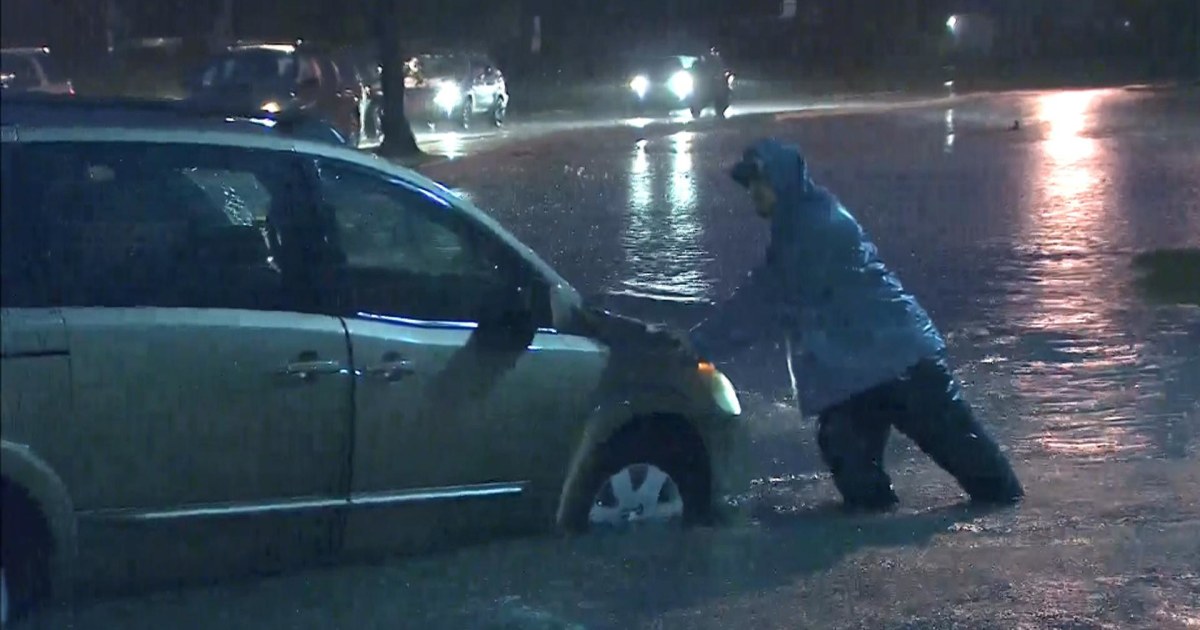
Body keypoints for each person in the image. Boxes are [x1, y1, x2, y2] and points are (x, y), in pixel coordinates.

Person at [689, 138, 1024, 512]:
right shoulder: (799, 224)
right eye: (750, 184)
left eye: (760, 182)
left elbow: (764, 301)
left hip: (899, 362)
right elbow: (765, 297)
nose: (753, 192)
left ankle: (1012, 520)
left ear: (781, 180)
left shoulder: (813, 227)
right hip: (853, 375)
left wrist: (696, 346)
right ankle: (888, 538)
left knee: (977, 467)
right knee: (855, 471)